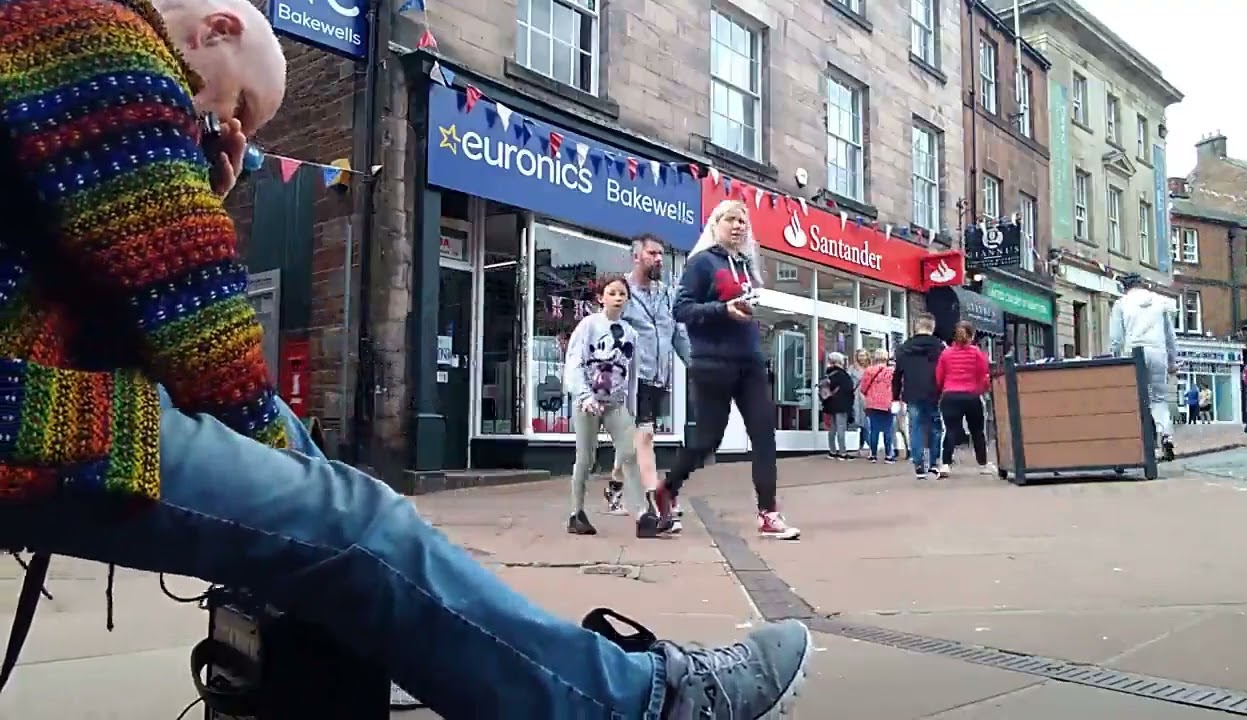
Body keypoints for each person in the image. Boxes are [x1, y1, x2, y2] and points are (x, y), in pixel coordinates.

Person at [0, 1, 816, 716]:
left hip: (36, 387)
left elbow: (111, 281)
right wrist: (310, 490)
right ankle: (635, 705)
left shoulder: (59, 43)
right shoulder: (110, 42)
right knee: (357, 519)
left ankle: (407, 631)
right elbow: (198, 340)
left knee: (325, 485)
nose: (228, 130)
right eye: (236, 104)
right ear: (217, 30)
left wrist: (197, 192)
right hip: (25, 413)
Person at [663, 199, 800, 540]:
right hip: (713, 363)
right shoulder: (701, 263)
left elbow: (745, 308)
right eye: (731, 220)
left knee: (764, 435)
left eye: (743, 221)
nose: (738, 226)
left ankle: (768, 513)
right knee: (708, 440)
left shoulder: (746, 265)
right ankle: (666, 489)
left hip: (750, 362)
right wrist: (723, 310)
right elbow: (681, 309)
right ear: (716, 224)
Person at [606, 234, 691, 533]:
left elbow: (678, 335)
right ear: (636, 257)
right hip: (631, 380)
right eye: (652, 253)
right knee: (645, 439)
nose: (658, 259)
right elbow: (606, 332)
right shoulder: (623, 293)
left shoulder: (667, 295)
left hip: (658, 378)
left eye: (661, 254)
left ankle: (615, 484)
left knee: (636, 442)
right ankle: (659, 506)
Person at [564, 275, 658, 537]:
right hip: (588, 403)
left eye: (622, 294)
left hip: (615, 404)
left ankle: (642, 515)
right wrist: (584, 396)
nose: (618, 298)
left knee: (629, 452)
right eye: (612, 293)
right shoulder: (588, 326)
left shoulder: (631, 334)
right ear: (601, 297)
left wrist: (632, 407)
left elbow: (633, 373)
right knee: (586, 458)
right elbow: (574, 362)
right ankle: (576, 513)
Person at [1109, 272, 1178, 459]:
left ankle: (1142, 443)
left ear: (1125, 286)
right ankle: (1166, 435)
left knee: (1136, 399)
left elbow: (1116, 338)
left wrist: (1116, 359)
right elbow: (1170, 336)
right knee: (1159, 399)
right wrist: (1172, 361)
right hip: (1158, 352)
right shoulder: (1159, 302)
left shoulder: (1121, 303)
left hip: (1134, 353)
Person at [936, 321, 994, 477]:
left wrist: (944, 389)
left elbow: (939, 377)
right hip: (971, 396)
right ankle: (983, 464)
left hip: (950, 395)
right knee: (977, 431)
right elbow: (983, 375)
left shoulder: (946, 354)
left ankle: (946, 464)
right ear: (972, 335)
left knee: (950, 430)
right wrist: (981, 390)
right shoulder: (976, 353)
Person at [893, 313, 946, 479]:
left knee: (915, 427)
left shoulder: (903, 349)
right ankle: (933, 463)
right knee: (935, 428)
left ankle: (918, 463)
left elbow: (897, 375)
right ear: (932, 327)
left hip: (912, 392)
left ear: (916, 327)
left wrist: (895, 397)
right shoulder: (940, 347)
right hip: (935, 392)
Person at [858, 349, 897, 463]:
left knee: (874, 430)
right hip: (887, 403)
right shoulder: (892, 372)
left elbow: (863, 388)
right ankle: (888, 455)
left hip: (872, 404)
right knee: (888, 430)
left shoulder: (869, 371)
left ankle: (873, 455)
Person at [820, 351, 856, 459]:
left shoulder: (828, 374)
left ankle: (832, 451)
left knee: (832, 428)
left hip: (830, 404)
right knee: (841, 428)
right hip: (842, 404)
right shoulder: (843, 375)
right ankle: (842, 452)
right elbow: (849, 389)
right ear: (840, 361)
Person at [849, 348, 872, 454]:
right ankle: (857, 445)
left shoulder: (871, 368)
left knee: (867, 421)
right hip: (856, 397)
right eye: (860, 355)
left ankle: (869, 444)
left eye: (863, 355)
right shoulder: (852, 368)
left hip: (868, 396)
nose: (862, 357)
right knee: (857, 420)